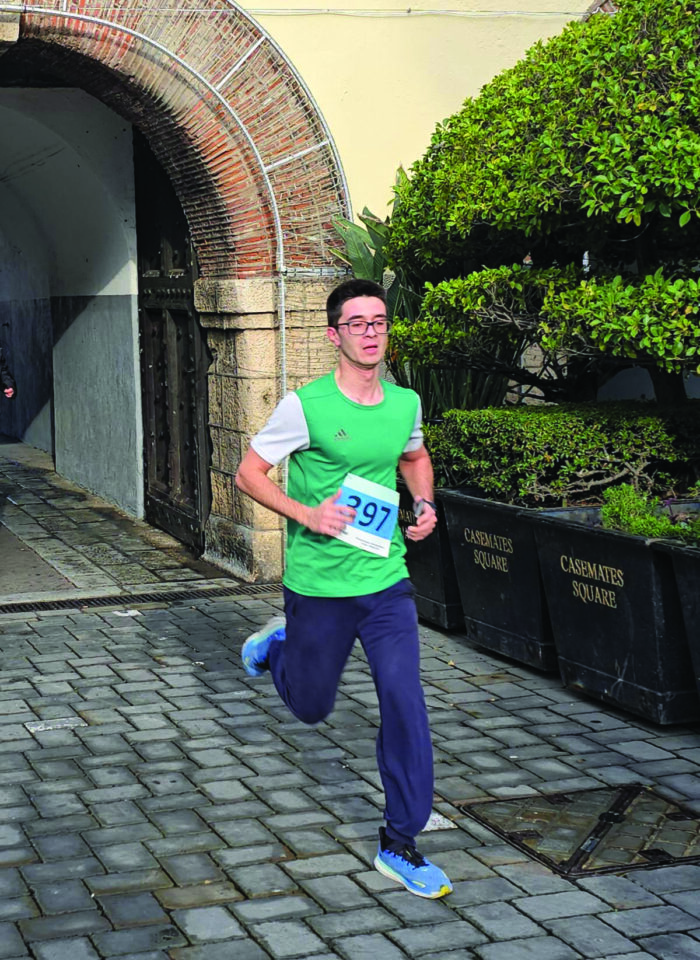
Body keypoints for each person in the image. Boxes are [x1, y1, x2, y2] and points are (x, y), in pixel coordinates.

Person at [234, 277, 452, 899]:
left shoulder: (404, 403)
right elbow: (249, 472)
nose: (369, 332)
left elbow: (413, 458)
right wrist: (308, 515)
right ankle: (277, 648)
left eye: (378, 321)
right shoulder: (306, 406)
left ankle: (401, 842)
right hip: (318, 586)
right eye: (356, 323)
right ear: (334, 335)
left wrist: (425, 504)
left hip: (386, 584)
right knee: (311, 707)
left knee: (404, 702)